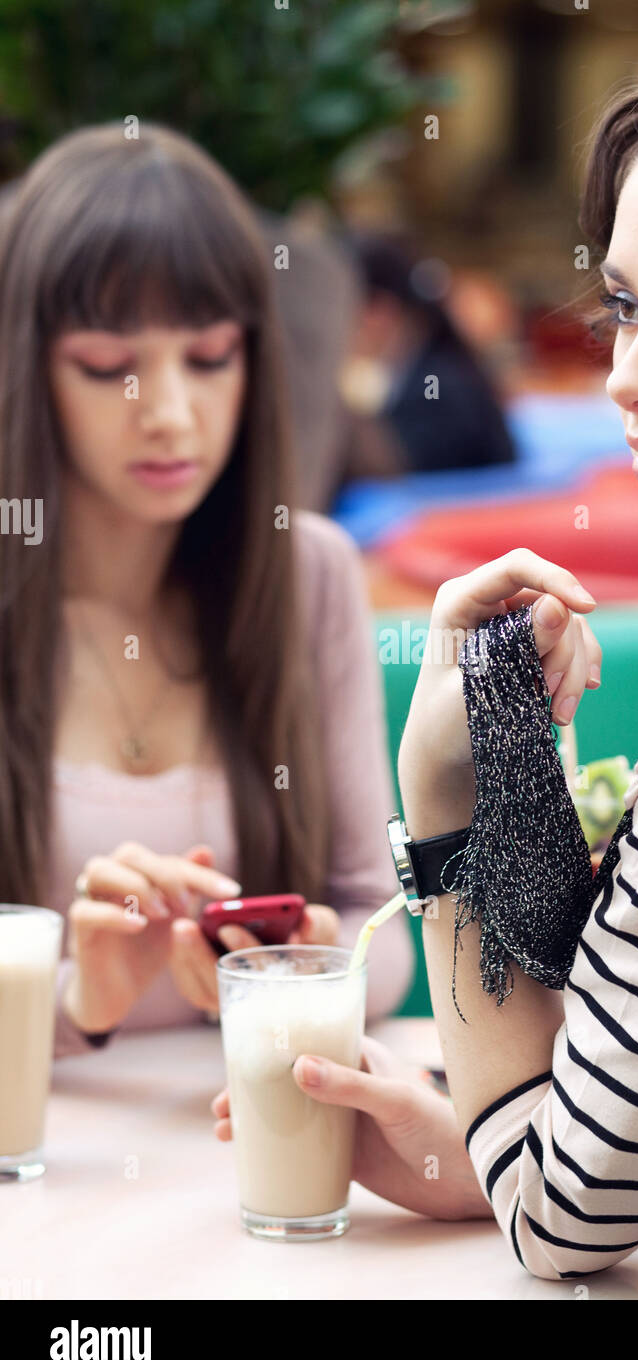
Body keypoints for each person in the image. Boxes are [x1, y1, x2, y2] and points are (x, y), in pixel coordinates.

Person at [213, 18, 638, 1299]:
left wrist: (449, 796)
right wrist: (490, 1138)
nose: (629, 375)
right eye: (625, 305)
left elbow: (561, 1222)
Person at [0, 119, 415, 1059]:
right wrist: (79, 998)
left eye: (211, 357)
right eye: (110, 367)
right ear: (26, 371)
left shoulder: (305, 574)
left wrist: (311, 964)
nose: (173, 414)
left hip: (245, 1146)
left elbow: (382, 924)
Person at [337, 230, 516, 479]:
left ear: (379, 312)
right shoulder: (418, 369)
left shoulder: (438, 392)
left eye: (339, 307)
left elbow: (400, 481)